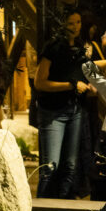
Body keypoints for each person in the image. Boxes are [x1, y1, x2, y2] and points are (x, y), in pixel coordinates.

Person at [34, 10, 92, 198]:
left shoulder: (81, 47)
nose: (76, 27)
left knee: (70, 166)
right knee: (51, 166)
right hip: (53, 111)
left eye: (78, 22)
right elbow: (40, 83)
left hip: (74, 109)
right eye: (71, 23)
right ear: (62, 25)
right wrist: (70, 85)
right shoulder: (53, 47)